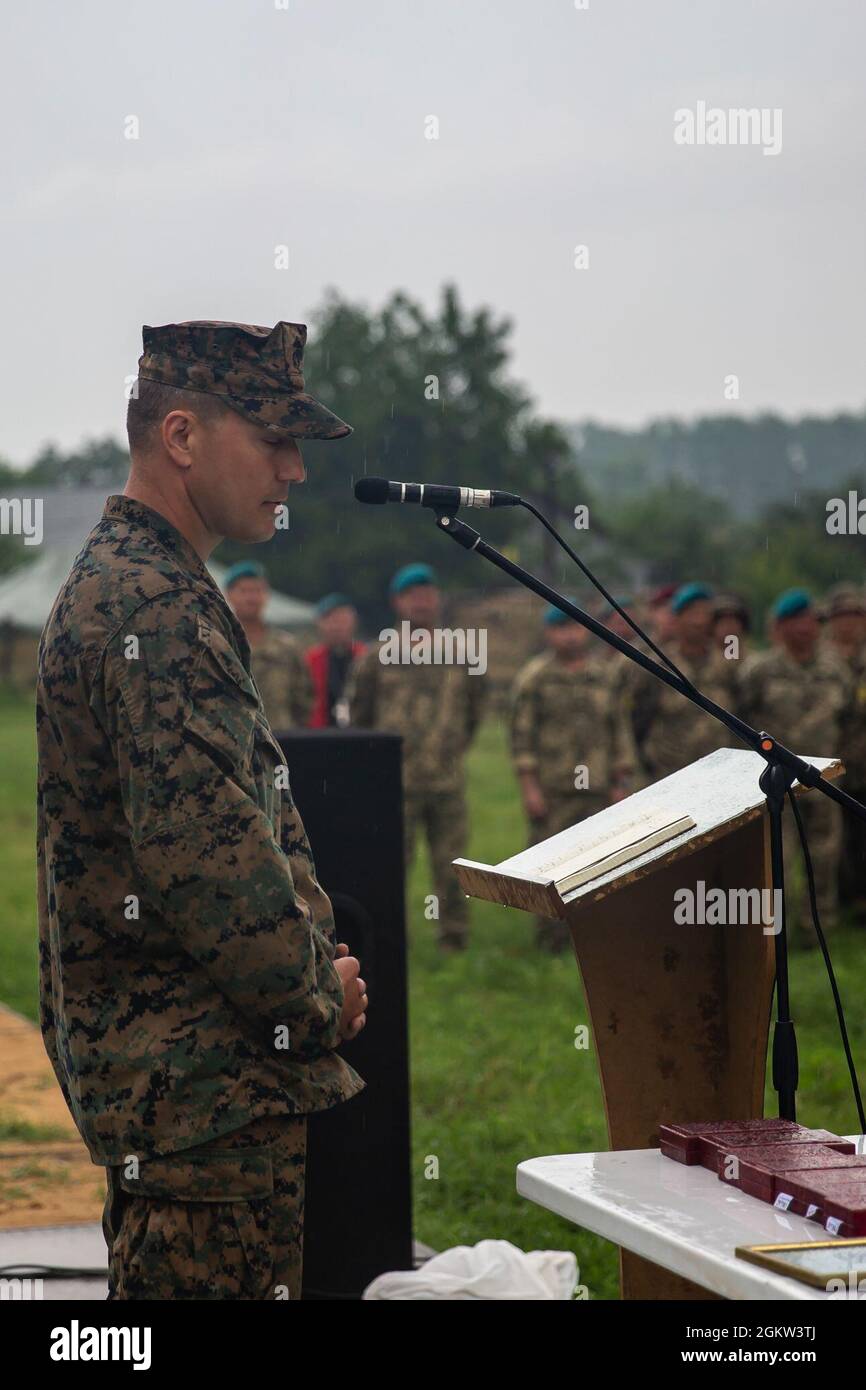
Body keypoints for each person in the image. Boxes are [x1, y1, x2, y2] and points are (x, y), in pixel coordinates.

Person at [36, 319, 367, 1301]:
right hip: (206, 1096)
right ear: (181, 437)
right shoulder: (157, 610)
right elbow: (208, 856)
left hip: (174, 1088)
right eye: (272, 438)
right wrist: (314, 999)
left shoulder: (138, 584)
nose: (294, 469)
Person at [346, 562, 485, 951]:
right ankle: (386, 939)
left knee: (452, 864)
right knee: (389, 868)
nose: (422, 601)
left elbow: (475, 710)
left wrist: (450, 748)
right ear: (397, 602)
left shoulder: (461, 653)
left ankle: (453, 939)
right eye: (413, 594)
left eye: (428, 592)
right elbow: (361, 715)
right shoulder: (377, 656)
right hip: (396, 783)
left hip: (446, 779)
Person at [510, 603, 636, 952]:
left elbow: (619, 731)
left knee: (602, 863)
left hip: (598, 789)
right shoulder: (535, 678)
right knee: (549, 867)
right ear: (549, 633)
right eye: (561, 628)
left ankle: (598, 938)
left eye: (576, 627)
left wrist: (621, 782)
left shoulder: (605, 675)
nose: (570, 635)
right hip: (554, 789)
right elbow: (522, 737)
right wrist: (529, 787)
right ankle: (551, 940)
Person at [738, 587, 851, 945]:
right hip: (777, 782)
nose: (806, 628)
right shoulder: (759, 670)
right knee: (777, 859)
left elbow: (847, 717)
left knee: (824, 855)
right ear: (781, 627)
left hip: (825, 778)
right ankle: (774, 934)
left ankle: (819, 929)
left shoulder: (836, 669)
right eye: (797, 621)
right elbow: (741, 719)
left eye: (812, 621)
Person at [629, 582, 738, 782]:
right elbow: (636, 724)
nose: (698, 622)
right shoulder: (658, 667)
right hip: (667, 777)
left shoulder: (727, 667)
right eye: (691, 613)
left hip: (719, 777)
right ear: (676, 619)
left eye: (704, 614)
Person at [224, 559, 314, 730]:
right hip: (234, 741)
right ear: (229, 595)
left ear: (266, 595)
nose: (251, 598)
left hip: (281, 739)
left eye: (257, 591)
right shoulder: (221, 642)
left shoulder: (288, 647)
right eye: (244, 591)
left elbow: (304, 700)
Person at [821, 583, 866, 919]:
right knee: (834, 837)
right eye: (842, 616)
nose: (849, 623)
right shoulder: (823, 660)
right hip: (832, 761)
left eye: (855, 615)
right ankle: (840, 899)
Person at [306, 592, 365, 727]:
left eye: (343, 620)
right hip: (319, 734)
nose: (337, 626)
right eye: (331, 620)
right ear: (319, 623)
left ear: (354, 622)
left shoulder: (366, 658)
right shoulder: (309, 661)